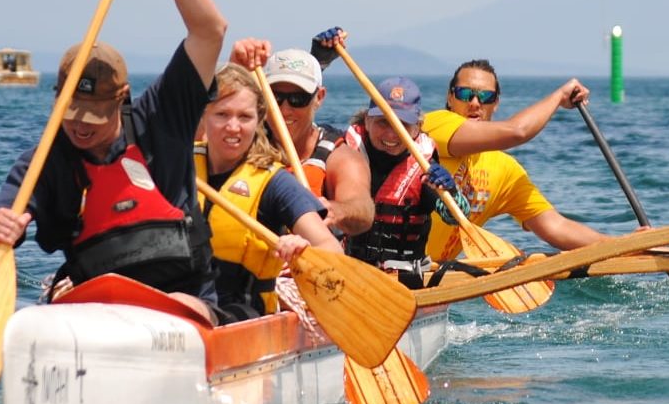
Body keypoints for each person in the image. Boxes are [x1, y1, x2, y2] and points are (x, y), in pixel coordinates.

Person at [0, 0, 226, 322]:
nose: (80, 126)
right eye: (71, 112)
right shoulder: (42, 161)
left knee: (178, 310)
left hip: (183, 299)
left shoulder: (162, 114)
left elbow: (210, 31)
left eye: (95, 115)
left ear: (121, 99)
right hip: (98, 306)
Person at [422, 58, 611, 261]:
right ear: (450, 98)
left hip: (427, 278)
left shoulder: (504, 170)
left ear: (495, 104)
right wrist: (559, 96)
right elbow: (517, 131)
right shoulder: (432, 128)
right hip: (390, 267)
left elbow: (555, 226)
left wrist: (624, 245)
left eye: (485, 96)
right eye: (464, 94)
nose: (475, 103)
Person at [193, 65, 344, 320]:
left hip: (240, 315)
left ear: (258, 120)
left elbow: (332, 251)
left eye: (244, 117)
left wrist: (303, 249)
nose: (233, 127)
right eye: (222, 114)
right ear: (204, 115)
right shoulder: (179, 168)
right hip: (174, 303)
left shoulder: (275, 183)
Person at [224, 37, 373, 236]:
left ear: (318, 98)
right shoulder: (240, 140)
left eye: (298, 99)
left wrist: (337, 210)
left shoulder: (337, 155)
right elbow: (196, 130)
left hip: (310, 261)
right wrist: (234, 68)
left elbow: (362, 208)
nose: (285, 110)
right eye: (276, 98)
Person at [337, 74, 468, 289]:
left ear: (417, 127)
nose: (391, 133)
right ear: (367, 121)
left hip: (404, 282)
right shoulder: (343, 152)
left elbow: (457, 218)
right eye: (383, 122)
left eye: (402, 124)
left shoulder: (425, 167)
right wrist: (320, 61)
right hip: (349, 275)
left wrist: (451, 190)